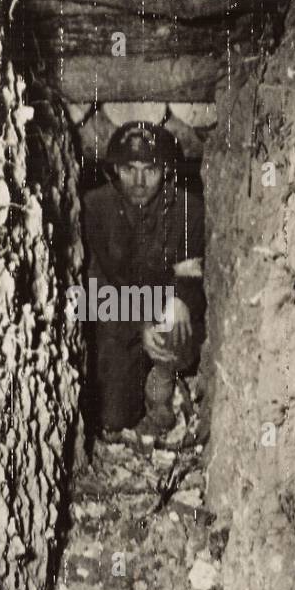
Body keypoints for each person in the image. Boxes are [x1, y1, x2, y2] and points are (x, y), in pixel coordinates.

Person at [82, 119, 206, 440]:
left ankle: (163, 384)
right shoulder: (95, 208)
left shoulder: (186, 208)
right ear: (114, 170)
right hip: (118, 318)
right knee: (114, 418)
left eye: (149, 169)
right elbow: (95, 286)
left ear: (165, 170)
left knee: (176, 327)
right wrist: (139, 322)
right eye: (128, 169)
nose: (138, 181)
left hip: (165, 312)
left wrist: (180, 298)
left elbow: (192, 269)